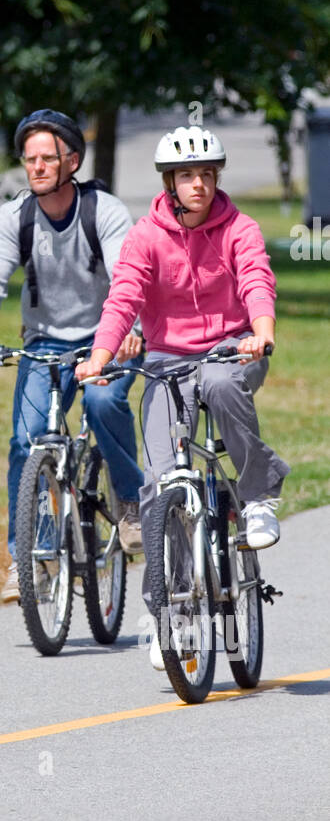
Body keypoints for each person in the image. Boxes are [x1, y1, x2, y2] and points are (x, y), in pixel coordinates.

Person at [76, 125, 289, 665]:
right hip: (168, 362)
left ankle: (260, 496)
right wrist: (99, 359)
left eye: (208, 174)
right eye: (188, 175)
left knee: (219, 384)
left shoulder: (240, 227)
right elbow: (123, 298)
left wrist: (260, 331)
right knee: (158, 482)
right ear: (170, 182)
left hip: (231, 352)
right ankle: (168, 615)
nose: (199, 184)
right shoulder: (146, 236)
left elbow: (256, 280)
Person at [0, 108, 145, 602]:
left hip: (110, 338)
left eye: (48, 158)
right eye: (29, 159)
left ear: (72, 161)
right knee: (27, 442)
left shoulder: (103, 209)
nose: (37, 167)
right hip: (45, 345)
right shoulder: (15, 216)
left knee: (104, 406)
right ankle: (28, 563)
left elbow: (130, 276)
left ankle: (129, 504)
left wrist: (131, 332)